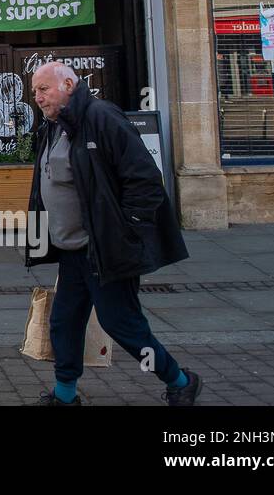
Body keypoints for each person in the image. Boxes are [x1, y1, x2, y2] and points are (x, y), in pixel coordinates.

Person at [24, 61, 201, 406]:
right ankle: (64, 396)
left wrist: (125, 231)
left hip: (104, 248)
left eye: (43, 89)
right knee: (64, 322)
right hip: (73, 250)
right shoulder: (54, 126)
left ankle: (180, 380)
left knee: (123, 325)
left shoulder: (102, 118)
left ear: (69, 85)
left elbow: (145, 181)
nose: (38, 98)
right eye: (34, 92)